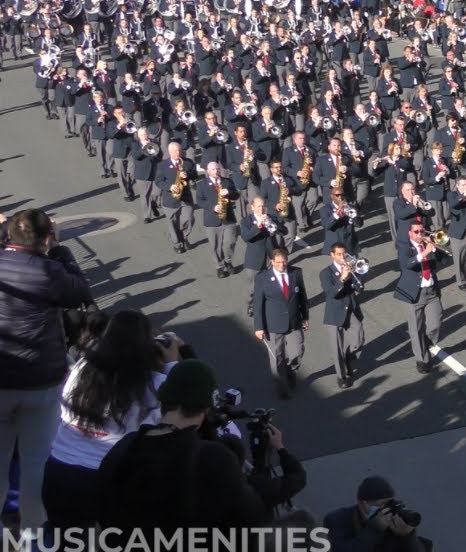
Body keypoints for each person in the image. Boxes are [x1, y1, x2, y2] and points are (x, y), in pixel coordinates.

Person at [0, 208, 95, 531]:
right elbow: (80, 291)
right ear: (44, 240)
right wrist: (63, 255)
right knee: (36, 460)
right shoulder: (49, 270)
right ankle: (33, 530)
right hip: (41, 378)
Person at [42, 311, 182, 528]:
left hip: (58, 471)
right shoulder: (153, 383)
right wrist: (172, 363)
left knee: (65, 540)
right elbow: (185, 405)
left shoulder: (83, 368)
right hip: (108, 477)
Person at [96, 360, 271, 532]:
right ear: (206, 408)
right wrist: (260, 463)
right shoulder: (213, 458)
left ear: (163, 401)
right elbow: (253, 519)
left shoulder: (123, 447)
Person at [251, 249, 310, 399]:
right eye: (278, 262)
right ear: (272, 262)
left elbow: (302, 296)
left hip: (294, 321)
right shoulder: (262, 278)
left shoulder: (296, 273)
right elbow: (258, 304)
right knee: (277, 359)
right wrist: (259, 327)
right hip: (273, 324)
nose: (282, 265)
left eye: (284, 261)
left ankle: (291, 371)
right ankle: (282, 388)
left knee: (297, 351)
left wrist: (305, 316)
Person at [392, 225, 447, 373]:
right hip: (412, 294)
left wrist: (435, 248)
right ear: (410, 233)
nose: (420, 234)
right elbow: (406, 264)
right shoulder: (404, 247)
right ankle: (422, 360)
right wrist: (425, 252)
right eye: (416, 232)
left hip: (431, 291)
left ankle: (425, 342)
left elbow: (444, 260)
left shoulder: (428, 245)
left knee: (435, 322)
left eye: (422, 231)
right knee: (416, 329)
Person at [322, 475, 428, 552]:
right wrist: (374, 529)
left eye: (391, 503)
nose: (388, 509)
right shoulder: (337, 519)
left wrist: (408, 535)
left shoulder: (395, 520)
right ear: (363, 504)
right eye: (383, 504)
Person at [320, 243, 365, 389]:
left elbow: (360, 288)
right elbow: (331, 293)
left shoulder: (351, 269)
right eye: (339, 254)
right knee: (336, 347)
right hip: (334, 313)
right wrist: (343, 278)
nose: (342, 257)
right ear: (332, 255)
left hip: (350, 310)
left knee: (359, 338)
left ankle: (348, 356)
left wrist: (355, 274)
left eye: (344, 254)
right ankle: (341, 376)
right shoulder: (326, 273)